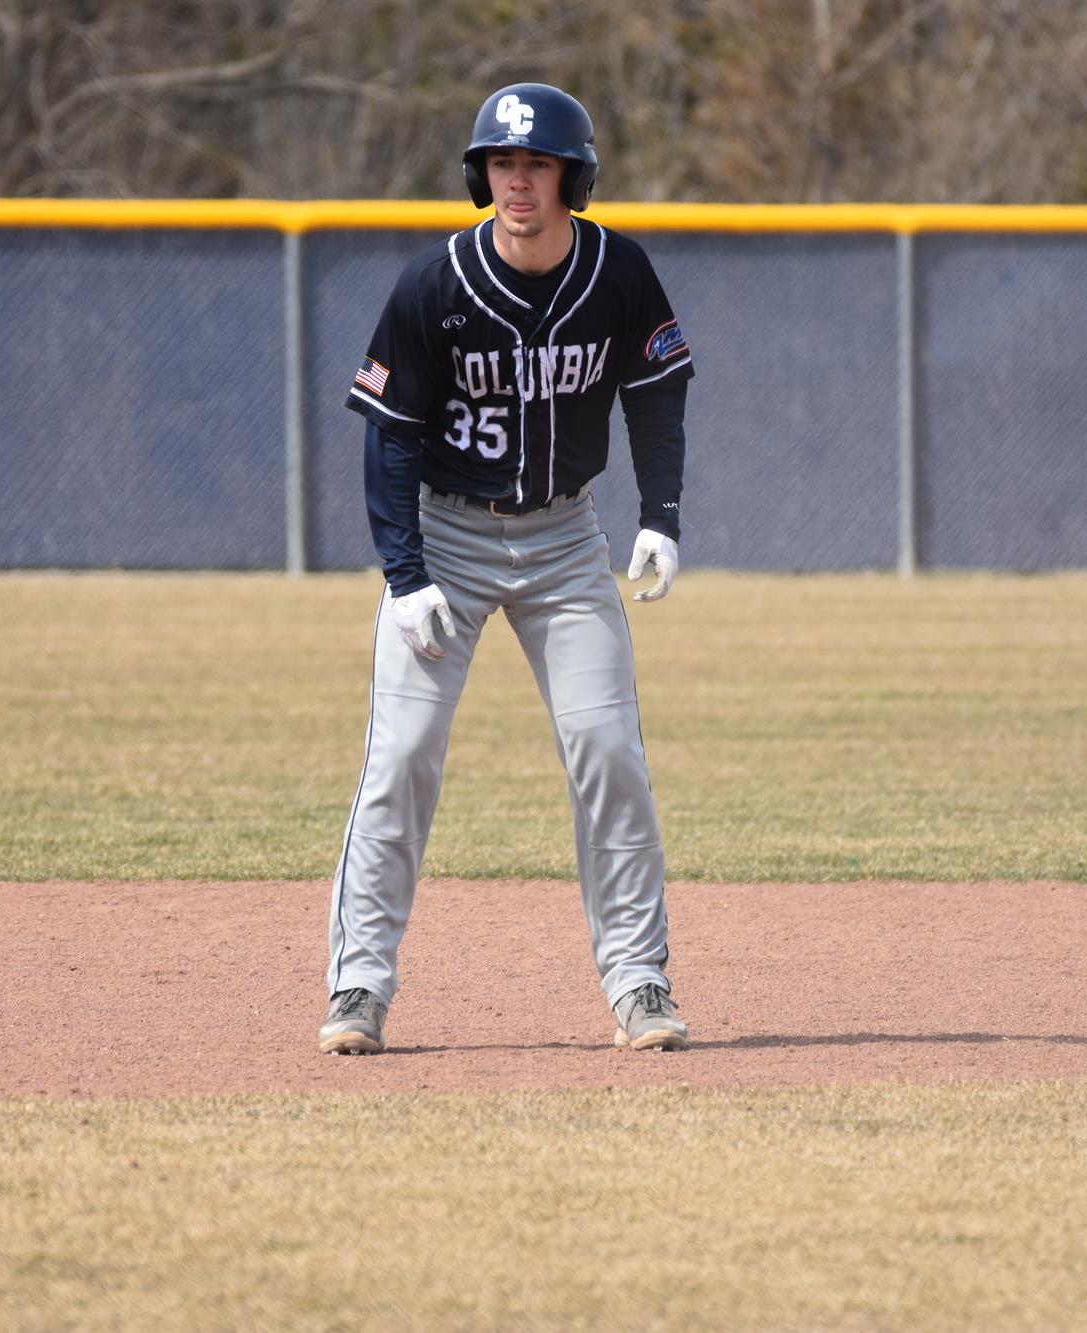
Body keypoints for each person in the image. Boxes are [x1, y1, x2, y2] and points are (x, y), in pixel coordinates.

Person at [321, 82, 694, 1057]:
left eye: (534, 165)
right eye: (500, 164)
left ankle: (640, 982)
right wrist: (403, 576)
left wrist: (659, 517)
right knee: (399, 756)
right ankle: (358, 986)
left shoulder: (617, 273)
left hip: (568, 543)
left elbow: (656, 395)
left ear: (572, 175)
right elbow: (388, 441)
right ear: (479, 175)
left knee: (607, 753)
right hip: (445, 537)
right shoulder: (431, 285)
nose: (516, 181)